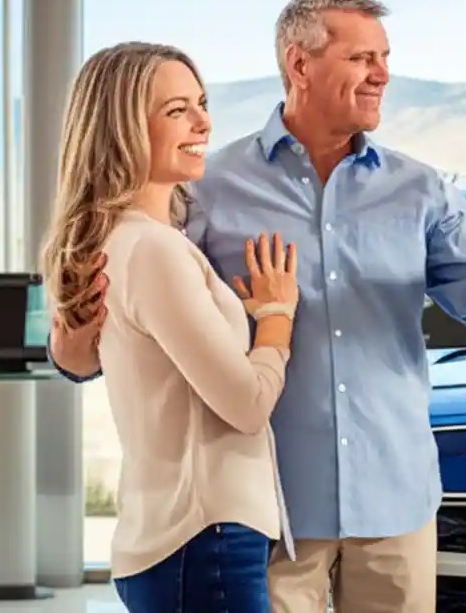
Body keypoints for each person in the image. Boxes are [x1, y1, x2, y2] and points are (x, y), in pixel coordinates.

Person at [50, 0, 466, 613]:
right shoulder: (204, 187)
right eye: (362, 57)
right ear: (299, 64)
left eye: (383, 56)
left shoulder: (421, 192)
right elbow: (119, 330)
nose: (383, 74)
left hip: (395, 503)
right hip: (269, 515)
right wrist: (74, 337)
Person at [42, 41, 301, 612]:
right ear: (122, 127)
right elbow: (246, 406)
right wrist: (276, 321)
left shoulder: (132, 242)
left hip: (184, 538)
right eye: (176, 109)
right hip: (203, 539)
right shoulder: (152, 251)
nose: (203, 121)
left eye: (202, 103)